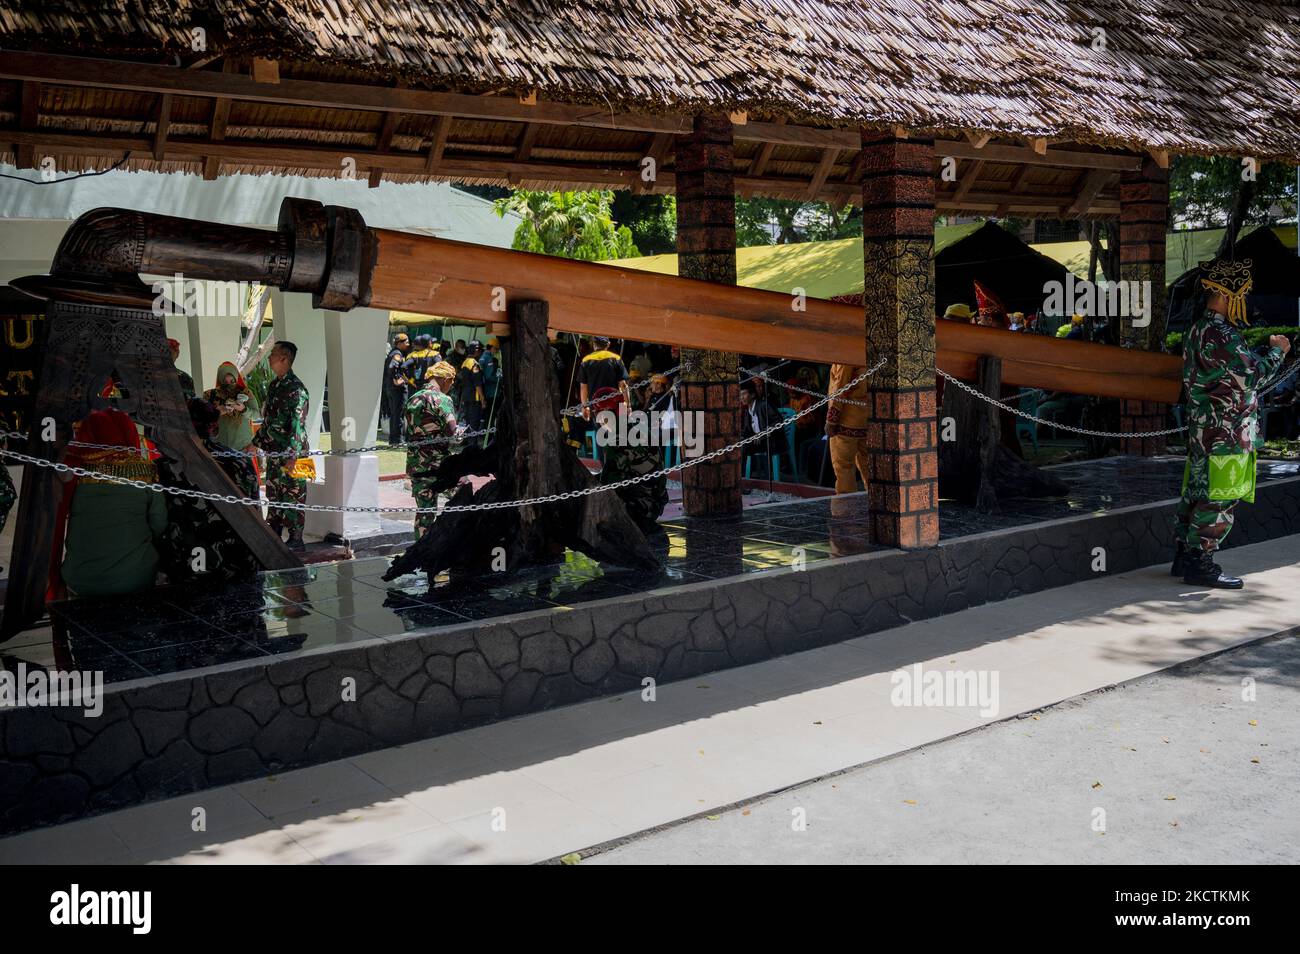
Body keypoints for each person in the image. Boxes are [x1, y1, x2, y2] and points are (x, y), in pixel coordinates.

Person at [1172, 258, 1289, 588]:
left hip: (1203, 429)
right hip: (1227, 430)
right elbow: (1250, 375)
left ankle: (1184, 555)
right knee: (1220, 495)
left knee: (1196, 491)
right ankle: (1201, 561)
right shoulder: (1223, 334)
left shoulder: (1197, 329)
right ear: (1228, 295)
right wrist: (1277, 351)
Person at [54, 408, 167, 599]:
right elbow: (159, 523)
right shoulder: (146, 469)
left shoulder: (76, 469)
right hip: (136, 576)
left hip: (81, 579)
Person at [156, 398, 260, 584]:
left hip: (189, 566)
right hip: (240, 560)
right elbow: (255, 511)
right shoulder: (240, 462)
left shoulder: (167, 466)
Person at [252, 340, 311, 551]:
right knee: (274, 494)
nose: (269, 358)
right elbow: (269, 422)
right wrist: (255, 444)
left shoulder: (297, 389)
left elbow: (297, 425)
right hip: (276, 452)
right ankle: (274, 536)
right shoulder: (276, 385)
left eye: (273, 354)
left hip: (296, 453)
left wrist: (294, 455)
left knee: (294, 497)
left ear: (284, 358)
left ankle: (296, 541)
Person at [404, 360, 459, 538]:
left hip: (416, 464)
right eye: (451, 382)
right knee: (464, 494)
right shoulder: (442, 399)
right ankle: (454, 539)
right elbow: (453, 433)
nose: (451, 386)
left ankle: (420, 552)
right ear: (444, 379)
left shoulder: (413, 399)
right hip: (439, 464)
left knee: (425, 512)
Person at [825, 363, 871, 494]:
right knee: (868, 464)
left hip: (845, 421)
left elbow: (839, 387)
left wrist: (831, 420)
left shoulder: (845, 358)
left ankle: (846, 509)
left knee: (843, 466)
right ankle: (877, 502)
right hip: (866, 419)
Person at [204, 361, 259, 457]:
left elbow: (256, 415)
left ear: (236, 379)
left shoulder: (245, 393)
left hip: (243, 447)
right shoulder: (211, 395)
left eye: (232, 381)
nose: (229, 385)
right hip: (220, 447)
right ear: (220, 381)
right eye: (225, 382)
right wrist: (217, 412)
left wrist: (244, 409)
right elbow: (202, 416)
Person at [578, 336, 630, 422]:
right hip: (614, 403)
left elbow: (583, 387)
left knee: (600, 432)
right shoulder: (616, 358)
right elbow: (623, 385)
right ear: (608, 344)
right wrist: (628, 406)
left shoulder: (586, 360)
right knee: (617, 431)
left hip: (596, 405)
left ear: (594, 345)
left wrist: (585, 406)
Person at [382, 332, 412, 444]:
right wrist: (396, 379)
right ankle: (398, 440)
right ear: (399, 343)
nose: (408, 344)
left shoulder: (394, 352)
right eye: (406, 342)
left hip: (391, 388)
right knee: (398, 413)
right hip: (397, 389)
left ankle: (394, 439)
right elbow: (392, 367)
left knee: (395, 413)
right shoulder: (397, 354)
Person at [457, 340, 488, 430]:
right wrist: (482, 399)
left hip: (466, 395)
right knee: (474, 420)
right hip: (475, 397)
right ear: (476, 350)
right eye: (480, 350)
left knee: (468, 419)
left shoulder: (465, 362)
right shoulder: (474, 364)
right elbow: (477, 384)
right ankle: (473, 443)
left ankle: (468, 440)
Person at [481, 336, 502, 404]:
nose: (496, 352)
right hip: (491, 391)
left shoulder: (483, 356)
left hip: (486, 389)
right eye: (496, 350)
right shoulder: (489, 358)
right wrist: (500, 379)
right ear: (492, 348)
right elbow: (489, 376)